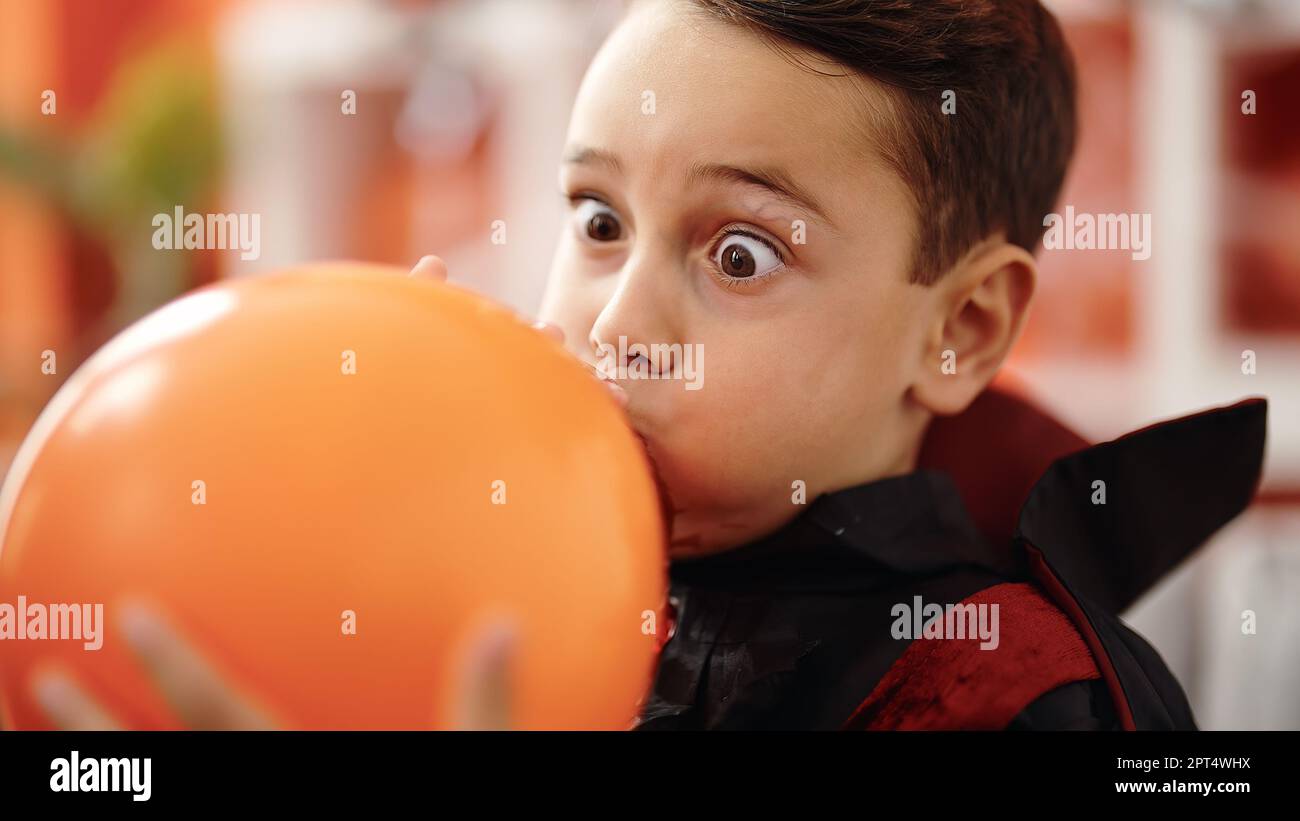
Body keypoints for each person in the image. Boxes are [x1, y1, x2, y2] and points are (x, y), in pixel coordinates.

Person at [31, 0, 1267, 731]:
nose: (612, 324)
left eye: (738, 253)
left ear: (964, 328)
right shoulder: (524, 574)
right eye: (597, 219)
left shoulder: (1013, 690)